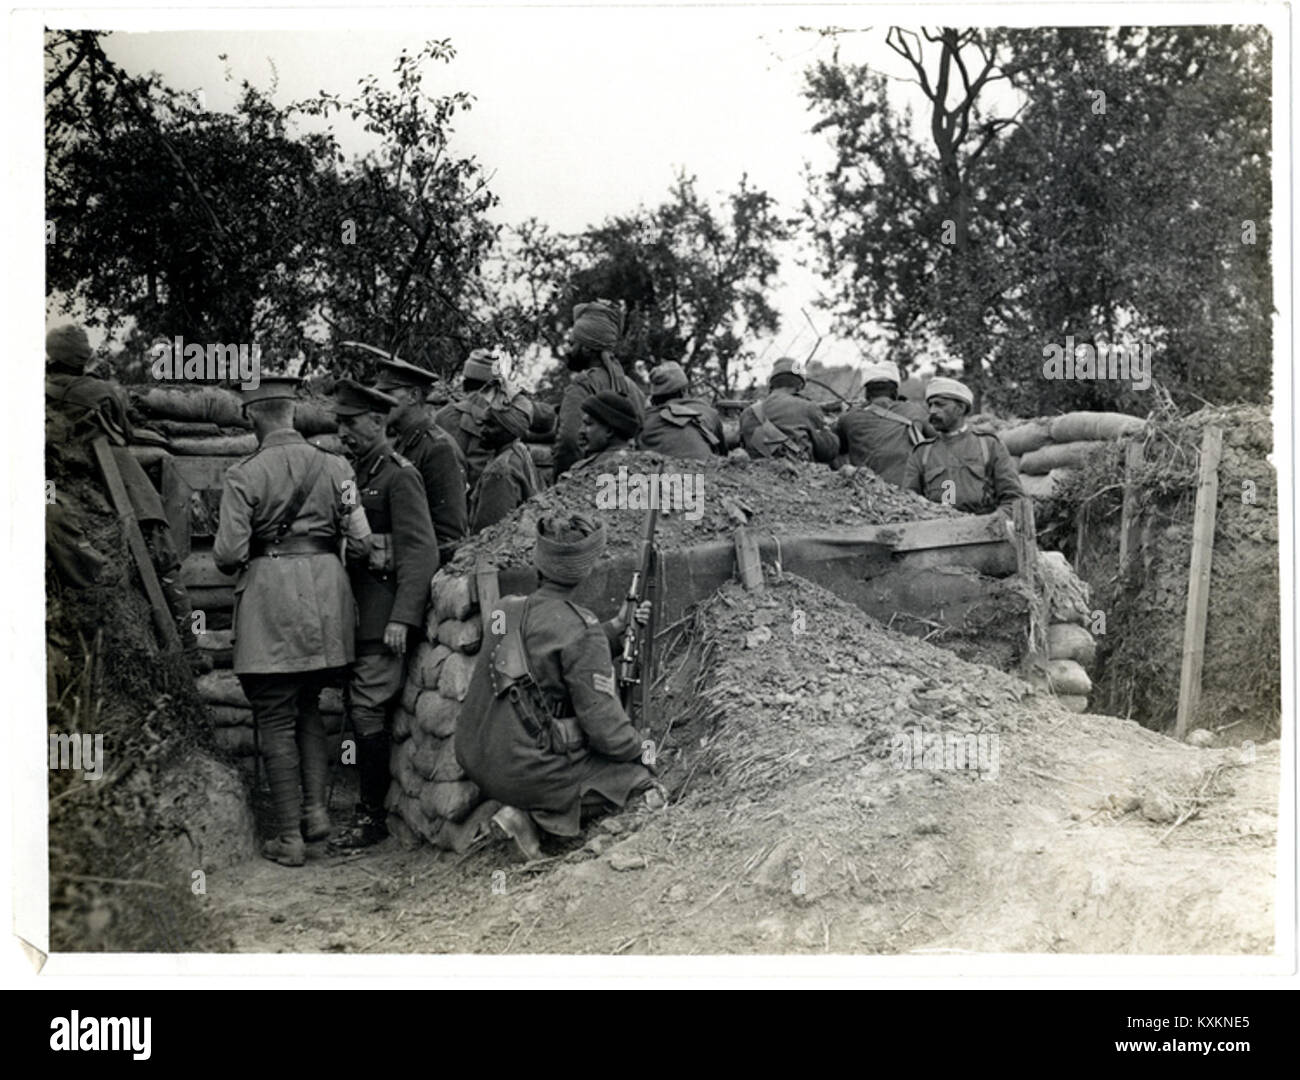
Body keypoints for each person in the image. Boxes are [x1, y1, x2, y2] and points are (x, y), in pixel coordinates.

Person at [212, 375, 372, 866]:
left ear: (251, 417)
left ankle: (288, 836)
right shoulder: (338, 466)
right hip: (326, 601)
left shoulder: (243, 474)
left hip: (271, 600)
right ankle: (316, 814)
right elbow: (362, 540)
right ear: (294, 413)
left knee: (274, 713)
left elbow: (227, 555)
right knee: (308, 706)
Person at [455, 513, 663, 861]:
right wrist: (644, 749)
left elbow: (546, 652)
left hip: (478, 759)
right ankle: (529, 819)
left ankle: (521, 813)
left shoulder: (506, 609)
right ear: (586, 568)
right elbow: (607, 732)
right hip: (526, 771)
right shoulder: (581, 628)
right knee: (638, 781)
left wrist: (614, 629)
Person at [44, 324, 207, 669]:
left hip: (64, 484)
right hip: (121, 480)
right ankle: (192, 646)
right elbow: (127, 430)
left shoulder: (39, 392)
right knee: (165, 560)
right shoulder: (102, 391)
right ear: (83, 357)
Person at [330, 379, 441, 851]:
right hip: (354, 616)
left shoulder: (400, 476)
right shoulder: (355, 474)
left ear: (377, 421)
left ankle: (370, 815)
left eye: (351, 422)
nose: (343, 432)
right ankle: (368, 807)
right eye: (339, 423)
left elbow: (421, 553)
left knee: (366, 710)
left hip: (382, 619)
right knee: (358, 711)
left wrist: (402, 618)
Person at [373, 355, 469, 566]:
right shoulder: (401, 443)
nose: (379, 401)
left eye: (387, 393)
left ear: (413, 396)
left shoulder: (438, 449)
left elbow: (450, 535)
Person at [901, 376, 1024, 514]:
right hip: (935, 525)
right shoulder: (921, 452)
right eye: (930, 405)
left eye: (940, 405)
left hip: (983, 524)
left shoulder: (989, 445)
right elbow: (908, 501)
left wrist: (992, 521)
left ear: (960, 408)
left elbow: (1014, 498)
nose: (932, 411)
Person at [552, 301, 646, 476]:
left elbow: (568, 441)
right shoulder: (634, 388)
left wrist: (564, 484)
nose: (568, 351)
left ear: (587, 348)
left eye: (573, 344)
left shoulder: (584, 384)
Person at [834, 361, 933, 485]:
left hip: (868, 489)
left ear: (867, 393)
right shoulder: (916, 412)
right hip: (910, 490)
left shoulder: (849, 418)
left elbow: (833, 450)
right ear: (895, 392)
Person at [739, 356, 838, 463]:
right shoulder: (808, 407)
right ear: (799, 385)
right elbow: (827, 452)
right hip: (797, 472)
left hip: (755, 472)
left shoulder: (747, 413)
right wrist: (828, 431)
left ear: (772, 384)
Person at [469, 391, 543, 532]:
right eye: (482, 423)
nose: (482, 430)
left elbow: (489, 533)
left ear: (511, 430)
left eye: (490, 425)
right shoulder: (519, 451)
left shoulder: (499, 471)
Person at [637, 361, 724, 460]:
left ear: (654, 397)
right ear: (683, 391)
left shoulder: (644, 419)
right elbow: (722, 453)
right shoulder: (708, 412)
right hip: (704, 468)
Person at [571, 390, 641, 472]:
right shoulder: (647, 464)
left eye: (588, 424)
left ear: (609, 431)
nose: (581, 431)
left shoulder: (590, 470)